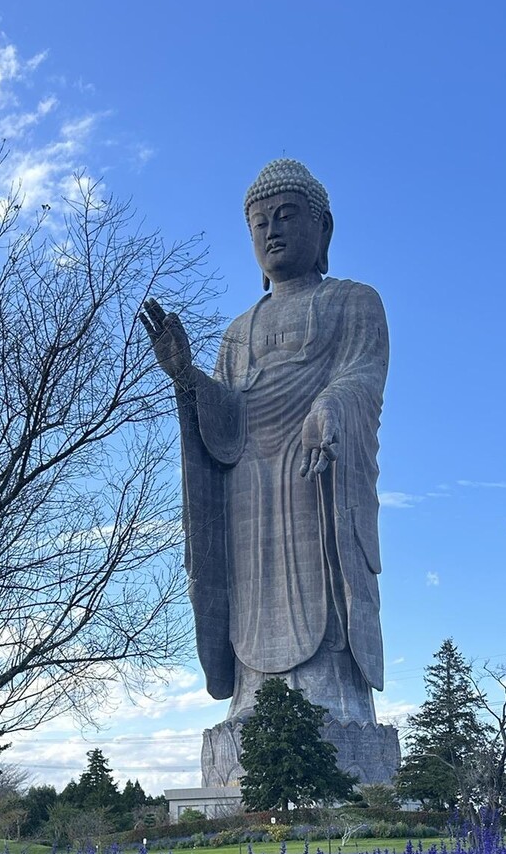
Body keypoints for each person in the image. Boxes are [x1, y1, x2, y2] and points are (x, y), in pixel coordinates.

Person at [141, 158, 389, 727]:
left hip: (314, 472)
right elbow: (226, 425)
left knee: (322, 581)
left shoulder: (354, 301)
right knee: (250, 594)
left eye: (286, 216)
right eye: (260, 223)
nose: (272, 231)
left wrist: (328, 407)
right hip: (249, 488)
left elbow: (363, 374)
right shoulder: (237, 332)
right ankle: (251, 697)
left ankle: (332, 698)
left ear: (323, 229)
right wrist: (188, 377)